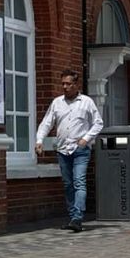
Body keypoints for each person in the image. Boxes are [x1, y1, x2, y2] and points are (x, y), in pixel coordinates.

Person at [36, 70, 103, 232]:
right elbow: (47, 123)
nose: (65, 87)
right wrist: (39, 140)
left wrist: (86, 139)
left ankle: (77, 218)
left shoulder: (86, 102)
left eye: (68, 84)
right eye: (63, 84)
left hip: (80, 150)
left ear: (76, 84)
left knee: (79, 182)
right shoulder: (57, 103)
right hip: (62, 150)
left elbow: (98, 123)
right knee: (68, 184)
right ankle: (73, 217)